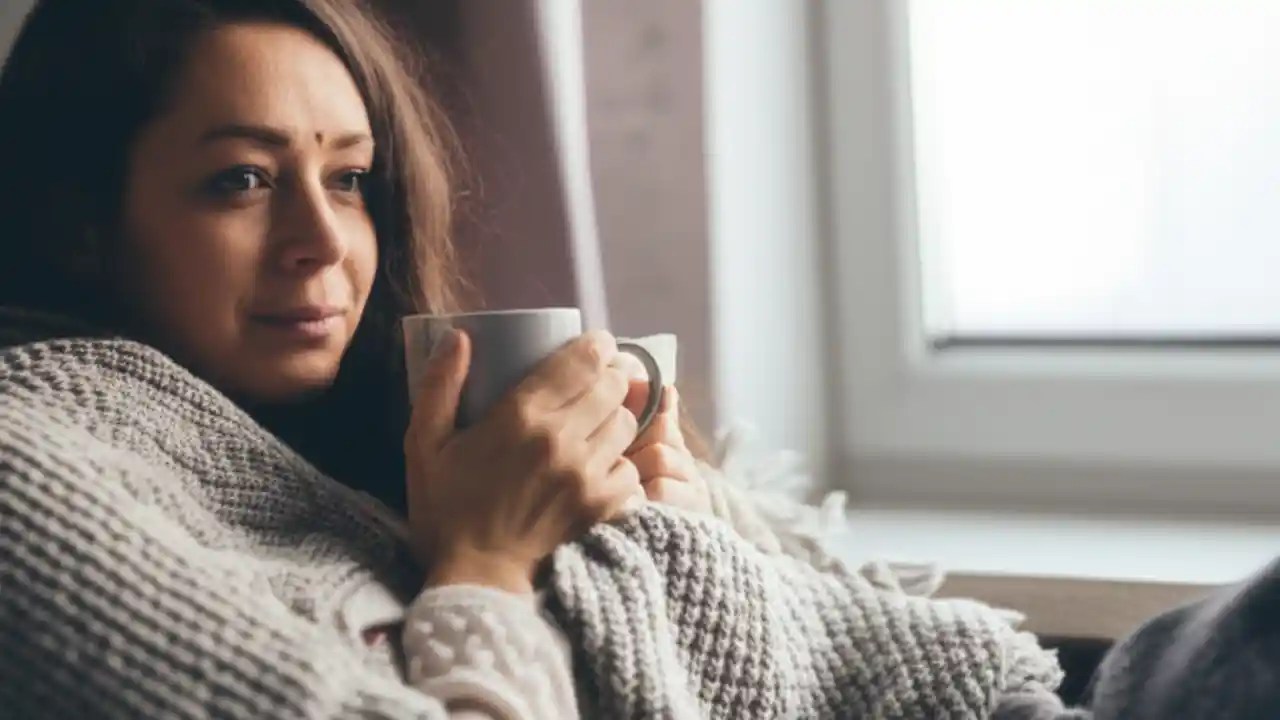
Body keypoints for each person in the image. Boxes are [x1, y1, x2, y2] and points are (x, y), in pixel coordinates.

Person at [0, 0, 716, 716]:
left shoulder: (370, 445)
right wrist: (487, 559)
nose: (325, 239)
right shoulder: (25, 480)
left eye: (348, 179)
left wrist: (675, 532)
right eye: (243, 179)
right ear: (80, 224)